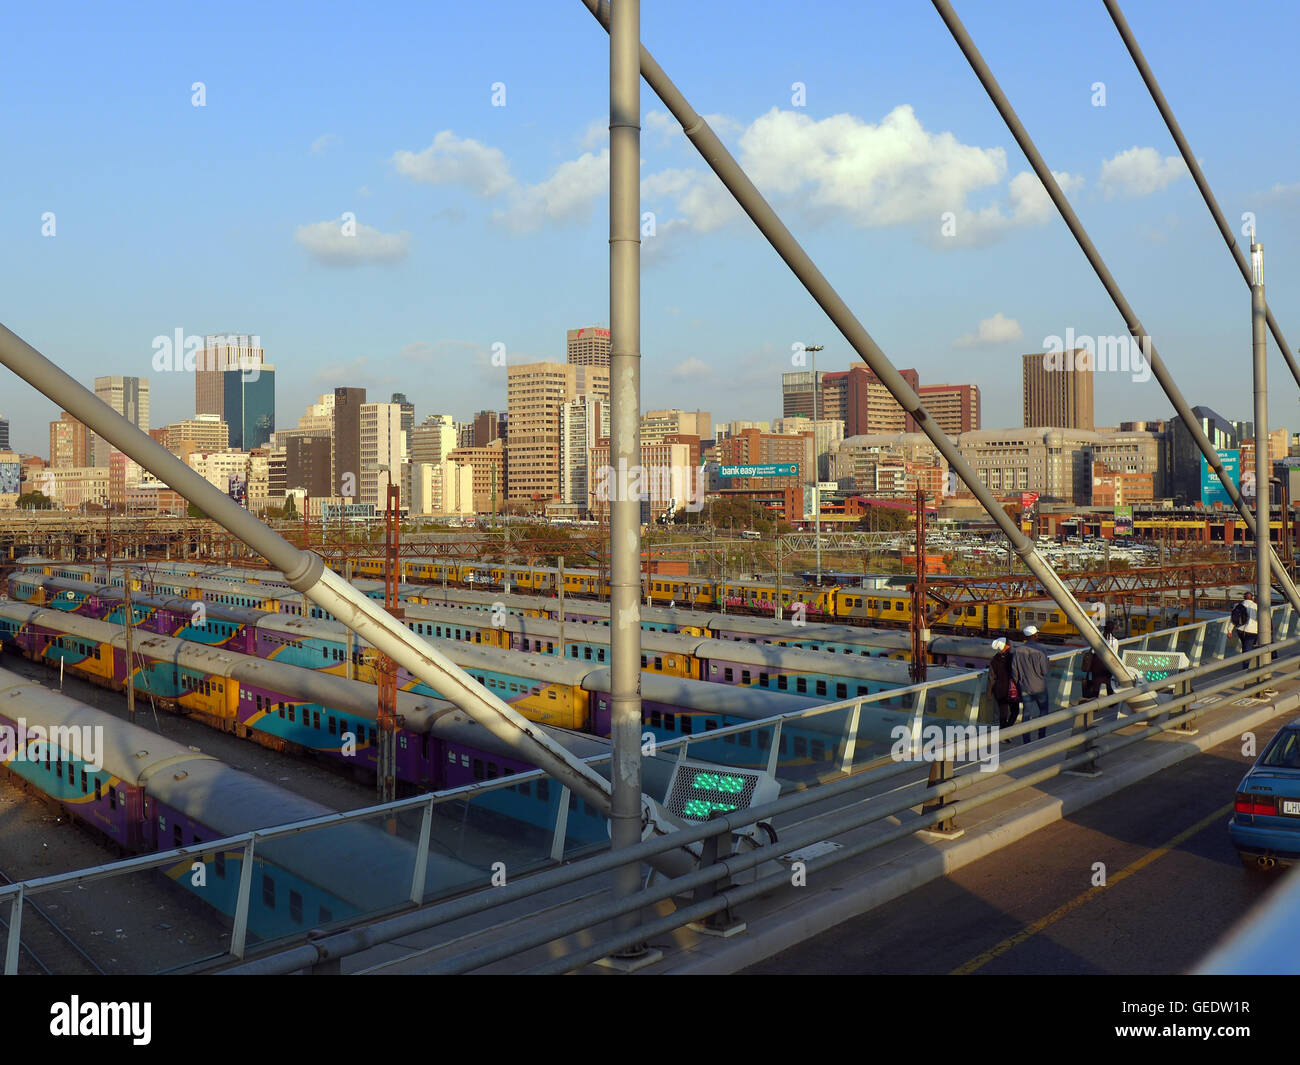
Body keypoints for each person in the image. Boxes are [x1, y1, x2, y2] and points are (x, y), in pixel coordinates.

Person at [1011, 625, 1050, 744]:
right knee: (1043, 711)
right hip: (1040, 687)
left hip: (1025, 687)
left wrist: (1019, 683)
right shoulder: (1040, 650)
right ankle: (1041, 736)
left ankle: (1026, 740)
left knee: (1026, 714)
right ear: (1035, 635)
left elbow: (1014, 672)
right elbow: (1044, 671)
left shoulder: (1018, 651)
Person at [986, 638, 1020, 741]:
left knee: (1003, 713)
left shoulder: (994, 659)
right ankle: (1007, 732)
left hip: (999, 690)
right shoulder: (1013, 657)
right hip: (1011, 689)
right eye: (1008, 643)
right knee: (1015, 711)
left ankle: (1004, 734)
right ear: (1005, 646)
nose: (1010, 645)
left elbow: (991, 678)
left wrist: (989, 692)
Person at [1228, 591, 1259, 670]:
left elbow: (1233, 619)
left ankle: (1247, 664)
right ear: (1252, 598)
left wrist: (1229, 630)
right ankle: (1246, 668)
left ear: (1244, 598)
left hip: (1240, 630)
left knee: (1245, 647)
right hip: (1252, 631)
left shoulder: (1238, 606)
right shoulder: (1255, 606)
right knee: (1248, 649)